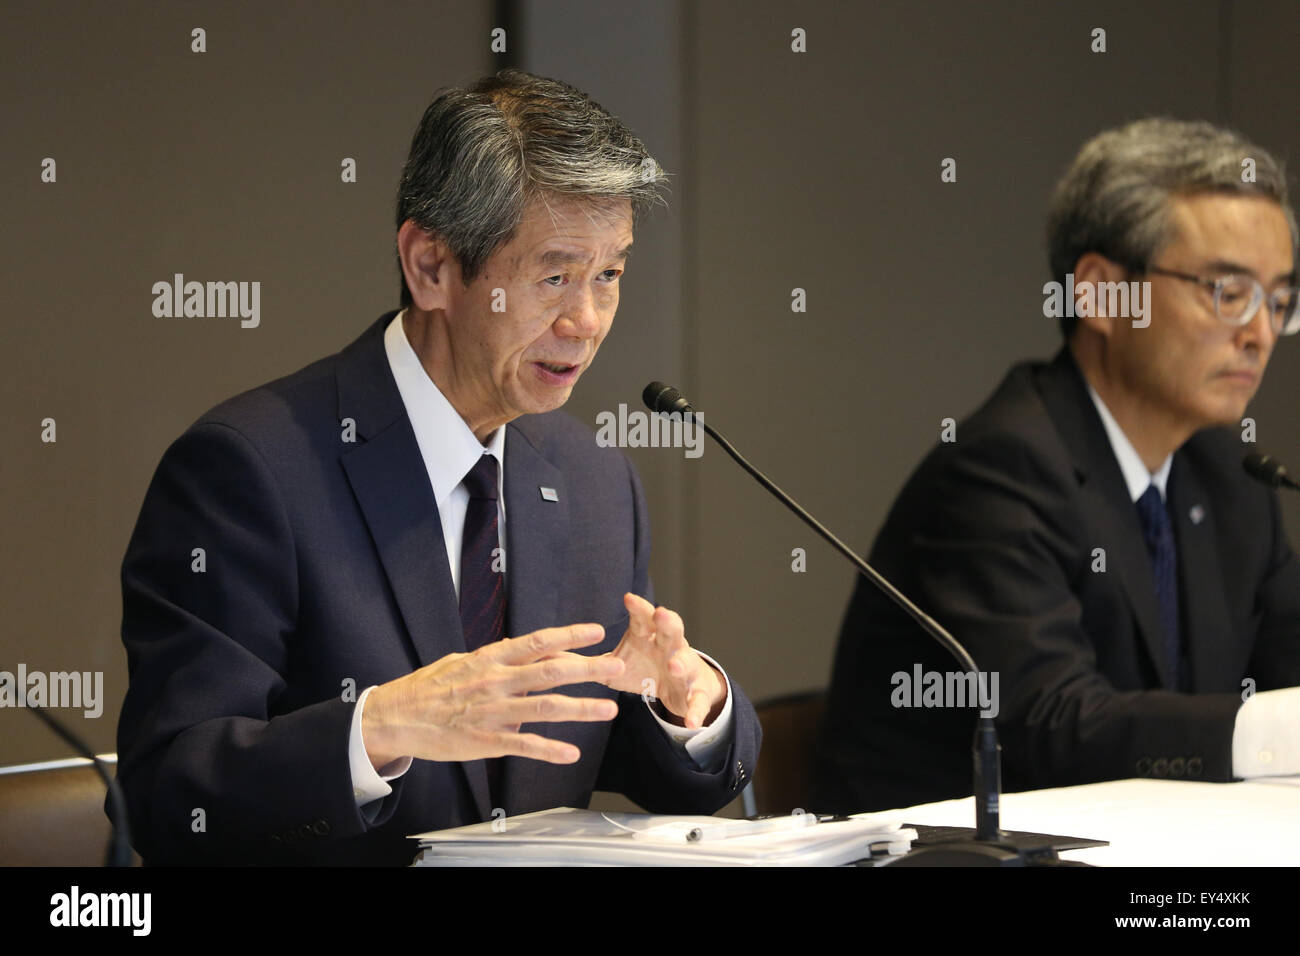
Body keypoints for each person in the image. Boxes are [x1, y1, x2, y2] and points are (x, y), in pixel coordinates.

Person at [115, 70, 760, 865]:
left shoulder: (595, 482)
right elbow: (170, 798)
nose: (586, 321)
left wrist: (687, 707)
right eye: (554, 275)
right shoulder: (250, 471)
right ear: (430, 266)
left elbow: (620, 762)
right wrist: (375, 731)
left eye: (610, 275)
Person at [812, 118, 1300, 813]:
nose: (1259, 333)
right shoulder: (1000, 468)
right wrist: (1273, 730)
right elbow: (1049, 724)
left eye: (1279, 300)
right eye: (1228, 292)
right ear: (1100, 293)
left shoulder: (1230, 476)